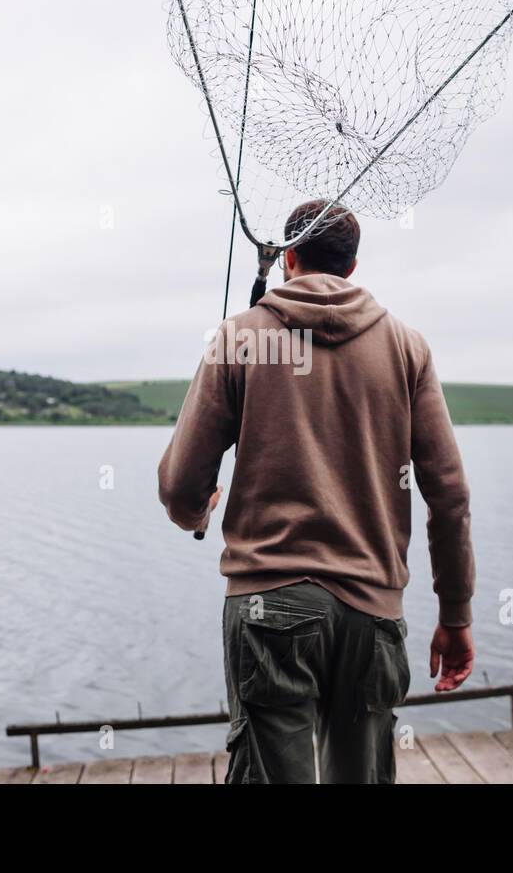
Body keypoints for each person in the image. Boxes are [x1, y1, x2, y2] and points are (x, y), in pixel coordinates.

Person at [157, 199, 474, 783]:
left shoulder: (239, 337)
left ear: (289, 258)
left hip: (268, 605)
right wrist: (455, 613)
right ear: (352, 267)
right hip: (371, 614)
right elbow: (449, 494)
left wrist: (194, 511)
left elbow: (180, 486)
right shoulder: (409, 348)